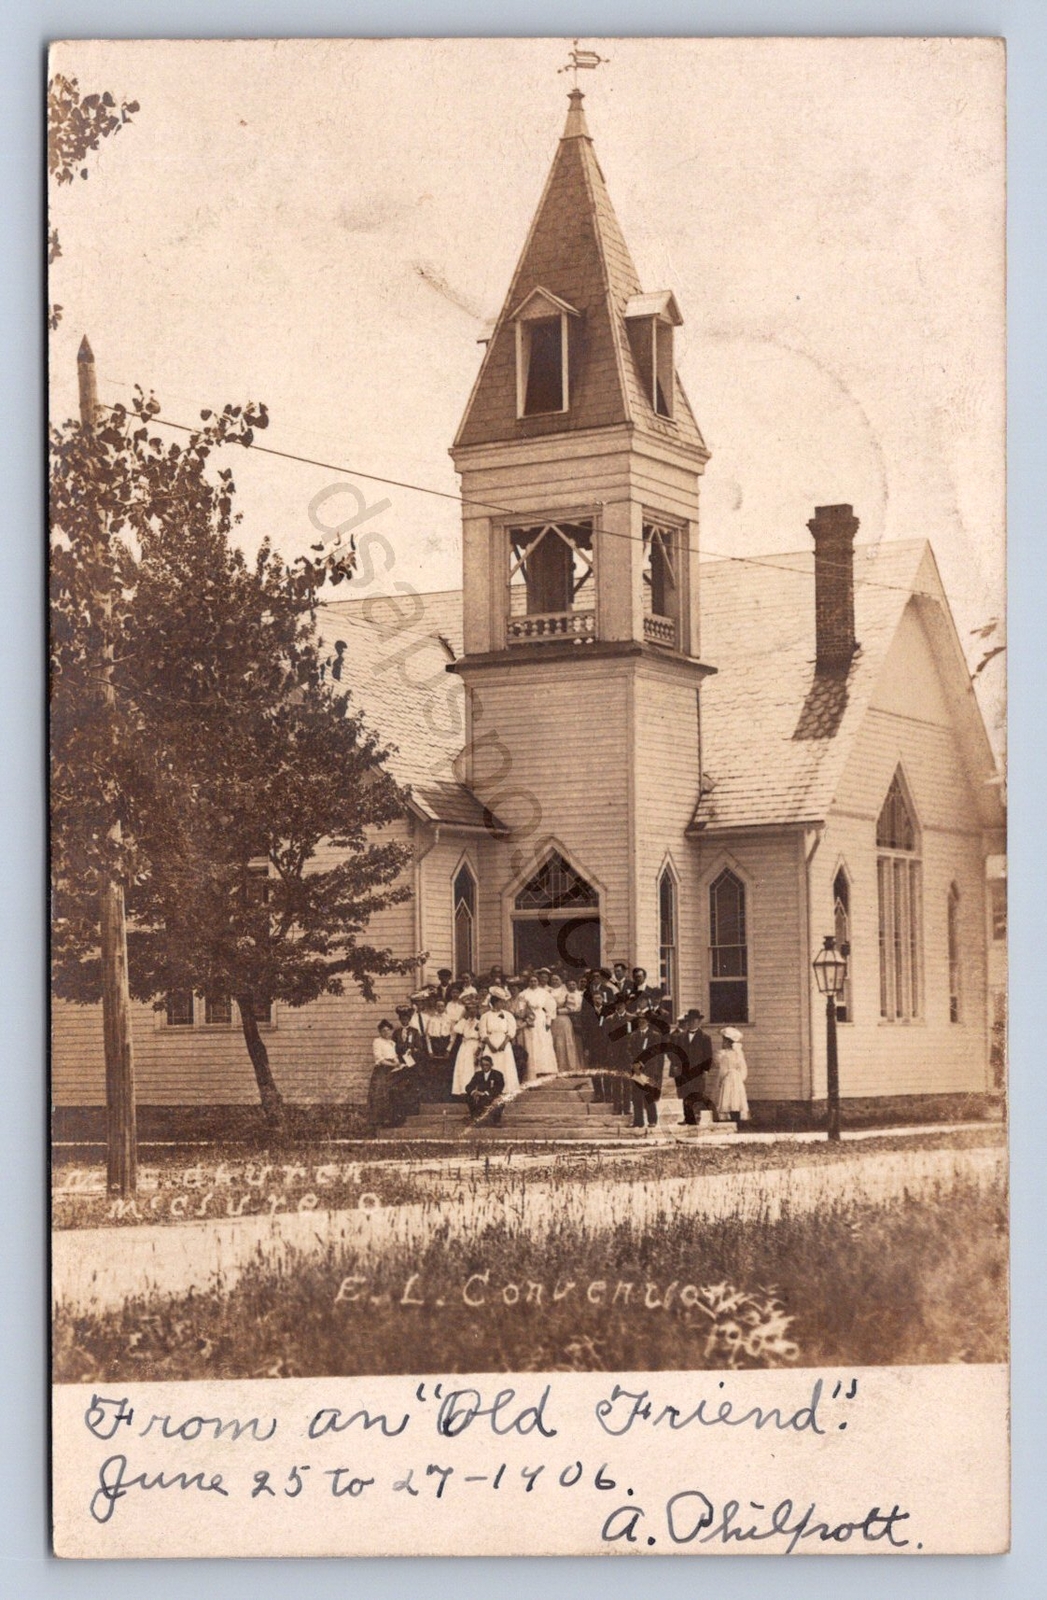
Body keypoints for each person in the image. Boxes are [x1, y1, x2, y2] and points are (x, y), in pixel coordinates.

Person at [668, 1008, 715, 1125]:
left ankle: (697, 1116)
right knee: (685, 1093)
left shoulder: (705, 1038)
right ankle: (688, 1117)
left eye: (695, 1020)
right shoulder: (680, 1037)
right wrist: (675, 1065)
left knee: (697, 1093)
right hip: (683, 1071)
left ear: (699, 1022)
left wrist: (705, 1070)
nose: (692, 1023)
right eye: (690, 1020)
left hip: (697, 1071)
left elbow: (708, 1055)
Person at [628, 1008, 668, 1132]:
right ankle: (638, 1121)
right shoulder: (634, 1035)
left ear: (648, 1022)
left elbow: (654, 1053)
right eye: (639, 1021)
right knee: (636, 1096)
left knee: (648, 1095)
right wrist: (634, 1064)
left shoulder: (654, 1036)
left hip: (648, 1069)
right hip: (636, 1070)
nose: (641, 1023)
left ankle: (652, 1120)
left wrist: (642, 1063)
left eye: (643, 1021)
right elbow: (629, 1051)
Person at [518, 968, 558, 1079]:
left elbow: (550, 1007)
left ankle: (545, 1069)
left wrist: (548, 1020)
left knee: (543, 1042)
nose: (533, 983)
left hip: (541, 1018)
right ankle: (532, 1070)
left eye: (535, 981)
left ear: (538, 982)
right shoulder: (523, 994)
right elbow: (521, 1008)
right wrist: (525, 1016)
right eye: (531, 981)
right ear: (528, 982)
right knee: (531, 1043)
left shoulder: (544, 993)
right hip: (529, 1019)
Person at [478, 989, 520, 1094]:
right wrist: (490, 1045)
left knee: (505, 1065)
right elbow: (483, 1032)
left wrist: (504, 1043)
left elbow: (511, 1031)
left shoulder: (508, 1015)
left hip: (503, 1043)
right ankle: (490, 1090)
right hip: (491, 1042)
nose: (502, 1004)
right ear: (495, 1002)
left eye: (503, 1002)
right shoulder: (485, 1016)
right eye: (500, 1002)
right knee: (492, 1064)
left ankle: (507, 1089)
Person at [367, 1019, 404, 1128]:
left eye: (388, 1030)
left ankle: (394, 1120)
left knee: (395, 1092)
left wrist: (398, 1064)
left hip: (393, 1070)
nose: (386, 1033)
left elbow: (395, 1057)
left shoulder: (392, 1043)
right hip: (382, 1070)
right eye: (383, 1031)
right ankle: (380, 1121)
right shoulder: (377, 1041)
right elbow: (380, 1059)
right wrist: (393, 1065)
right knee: (381, 1094)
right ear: (380, 1032)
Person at [603, 991, 634, 1114]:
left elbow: (634, 1037)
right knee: (615, 1081)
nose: (619, 1006)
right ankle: (617, 1107)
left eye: (621, 1004)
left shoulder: (631, 1018)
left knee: (627, 1081)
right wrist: (608, 1052)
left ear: (625, 1005)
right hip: (614, 1054)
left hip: (627, 1054)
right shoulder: (609, 1019)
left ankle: (627, 1108)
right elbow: (605, 1038)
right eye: (617, 1004)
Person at [715, 1027, 750, 1125]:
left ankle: (729, 1119)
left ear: (727, 1042)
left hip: (728, 1078)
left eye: (724, 1041)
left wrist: (721, 1080)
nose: (723, 1043)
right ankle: (736, 1119)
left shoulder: (724, 1054)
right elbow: (743, 1068)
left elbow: (723, 1069)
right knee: (736, 1099)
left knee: (728, 1098)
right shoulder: (738, 1053)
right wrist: (740, 1078)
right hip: (737, 1078)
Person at [450, 995, 483, 1097]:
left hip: (475, 1044)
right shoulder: (464, 1022)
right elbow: (456, 1029)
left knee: (475, 1067)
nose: (472, 1012)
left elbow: (482, 1036)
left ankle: (475, 1090)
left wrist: (479, 1048)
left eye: (474, 1010)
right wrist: (464, 1018)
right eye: (470, 1010)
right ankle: (464, 1089)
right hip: (465, 1046)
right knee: (464, 1068)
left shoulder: (480, 1022)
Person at [465, 1053, 505, 1124]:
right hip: (480, 1097)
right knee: (469, 1097)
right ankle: (475, 1117)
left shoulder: (497, 1074)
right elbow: (468, 1086)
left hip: (492, 1096)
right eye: (482, 1065)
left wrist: (485, 1093)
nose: (485, 1067)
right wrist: (474, 1092)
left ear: (491, 1065)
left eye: (487, 1065)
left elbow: (499, 1087)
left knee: (500, 1100)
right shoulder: (478, 1074)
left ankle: (496, 1120)